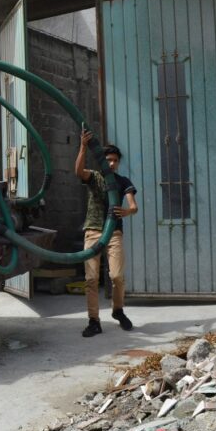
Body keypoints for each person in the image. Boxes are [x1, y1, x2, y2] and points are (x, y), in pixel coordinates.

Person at [75, 129, 139, 338]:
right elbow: (78, 172)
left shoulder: (122, 181)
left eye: (115, 161)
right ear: (103, 161)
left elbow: (133, 206)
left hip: (114, 233)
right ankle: (94, 321)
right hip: (93, 232)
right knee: (91, 278)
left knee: (117, 276)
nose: (111, 164)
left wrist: (128, 211)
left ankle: (118, 310)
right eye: (108, 160)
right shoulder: (94, 177)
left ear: (119, 163)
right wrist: (83, 146)